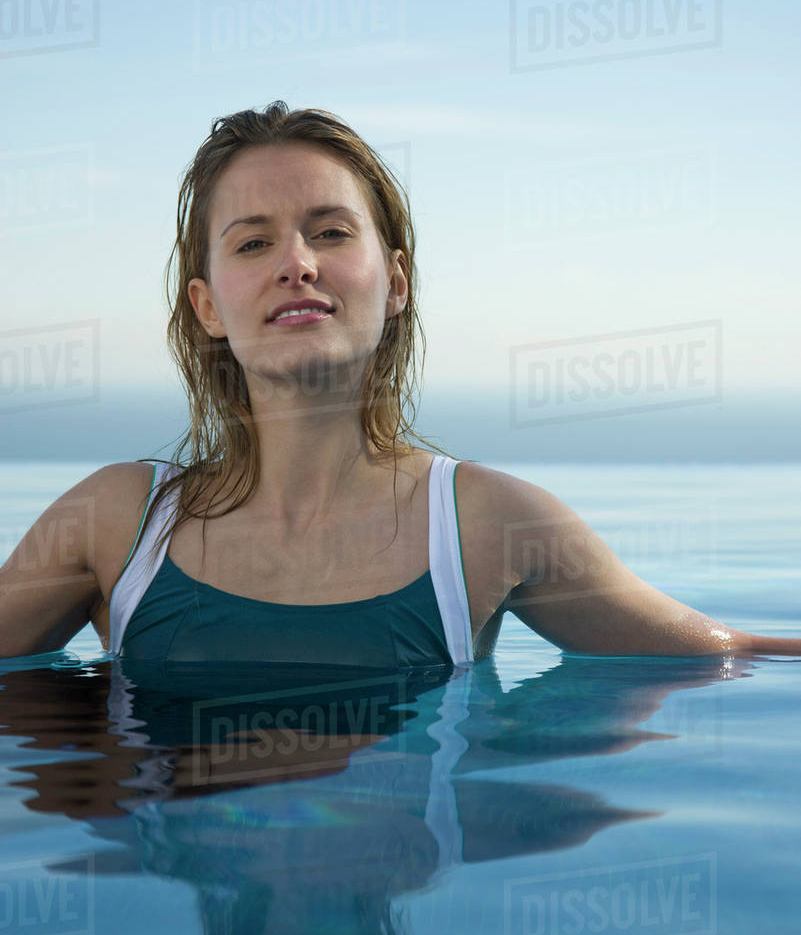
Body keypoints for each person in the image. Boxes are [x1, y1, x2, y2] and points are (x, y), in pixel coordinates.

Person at [1, 102, 798, 665]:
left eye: (330, 232)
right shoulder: (116, 523)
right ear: (206, 306)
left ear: (396, 281)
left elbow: (730, 655)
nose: (297, 263)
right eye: (252, 244)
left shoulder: (488, 525)